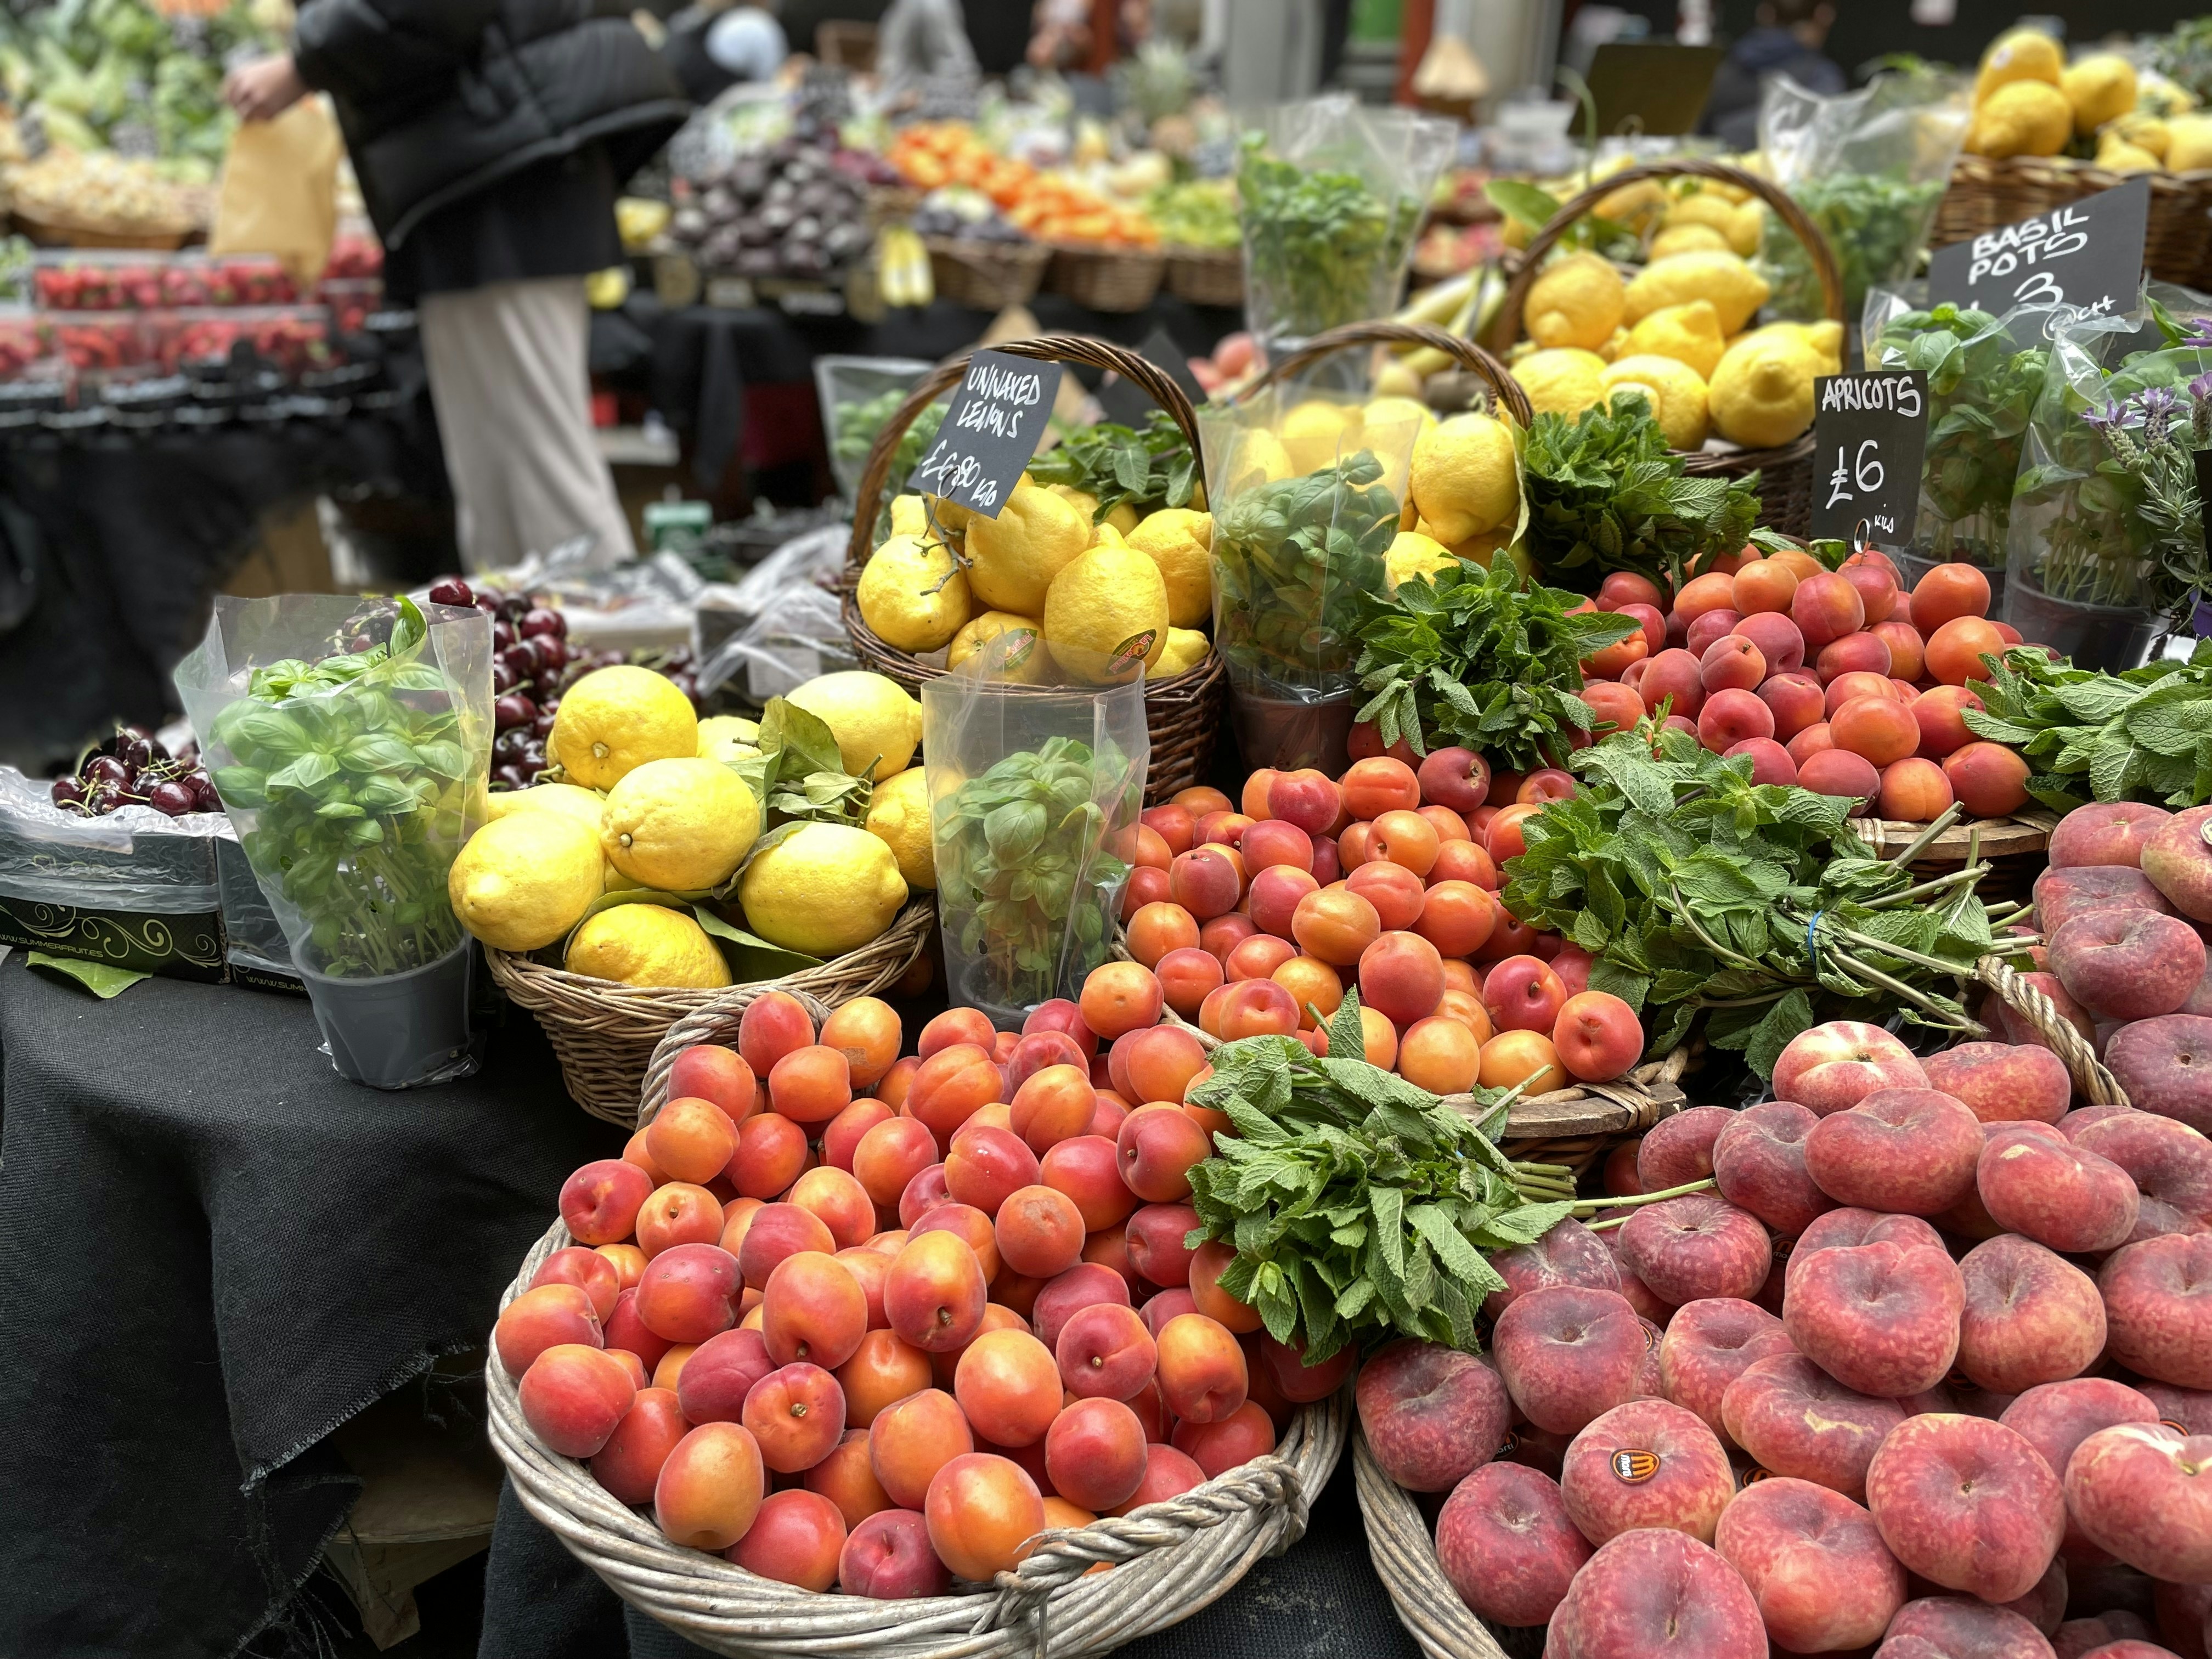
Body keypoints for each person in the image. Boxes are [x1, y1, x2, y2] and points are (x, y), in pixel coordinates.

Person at [223, 3, 688, 574]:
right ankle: (527, 651)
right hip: (486, 158)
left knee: (542, 479)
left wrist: (305, 62)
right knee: (500, 480)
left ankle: (612, 652)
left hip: (497, 164)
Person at [1701, 0, 1843, 152]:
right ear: (1823, 15)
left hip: (1711, 169)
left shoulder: (1723, 68)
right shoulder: (1822, 76)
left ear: (1764, 13)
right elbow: (1828, 139)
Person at [876, 0, 981, 105]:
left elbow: (955, 66)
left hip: (924, 102)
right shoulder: (905, 6)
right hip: (910, 94)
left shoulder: (924, 5)